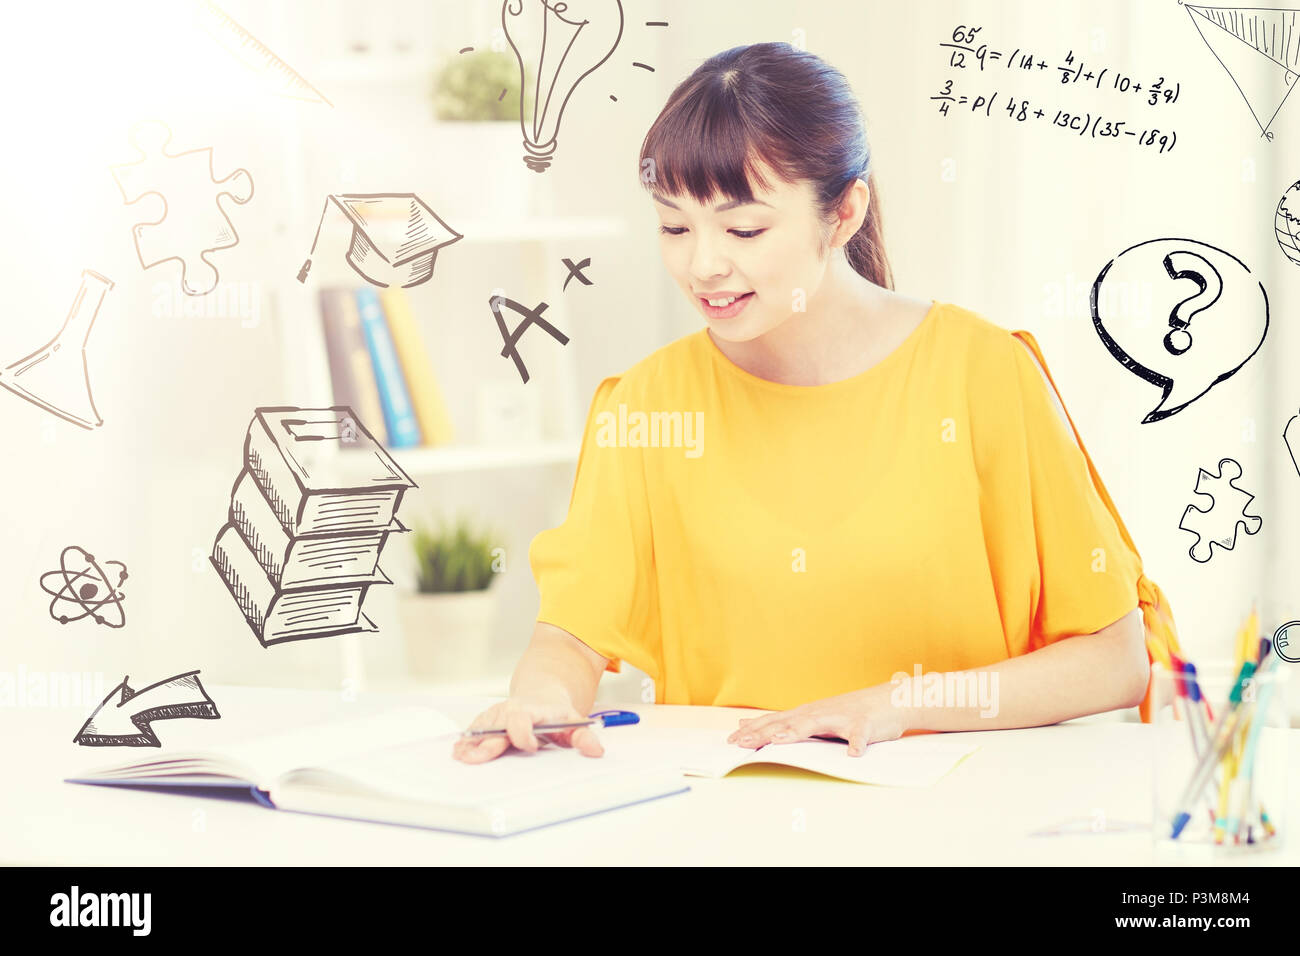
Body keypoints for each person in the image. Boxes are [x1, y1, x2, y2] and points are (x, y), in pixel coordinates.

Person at [453, 42, 1180, 765]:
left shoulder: (984, 374)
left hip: (958, 806)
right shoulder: (645, 407)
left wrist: (897, 705)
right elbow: (571, 635)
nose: (702, 264)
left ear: (844, 213)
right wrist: (543, 700)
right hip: (726, 807)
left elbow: (1113, 659)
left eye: (743, 229)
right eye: (674, 227)